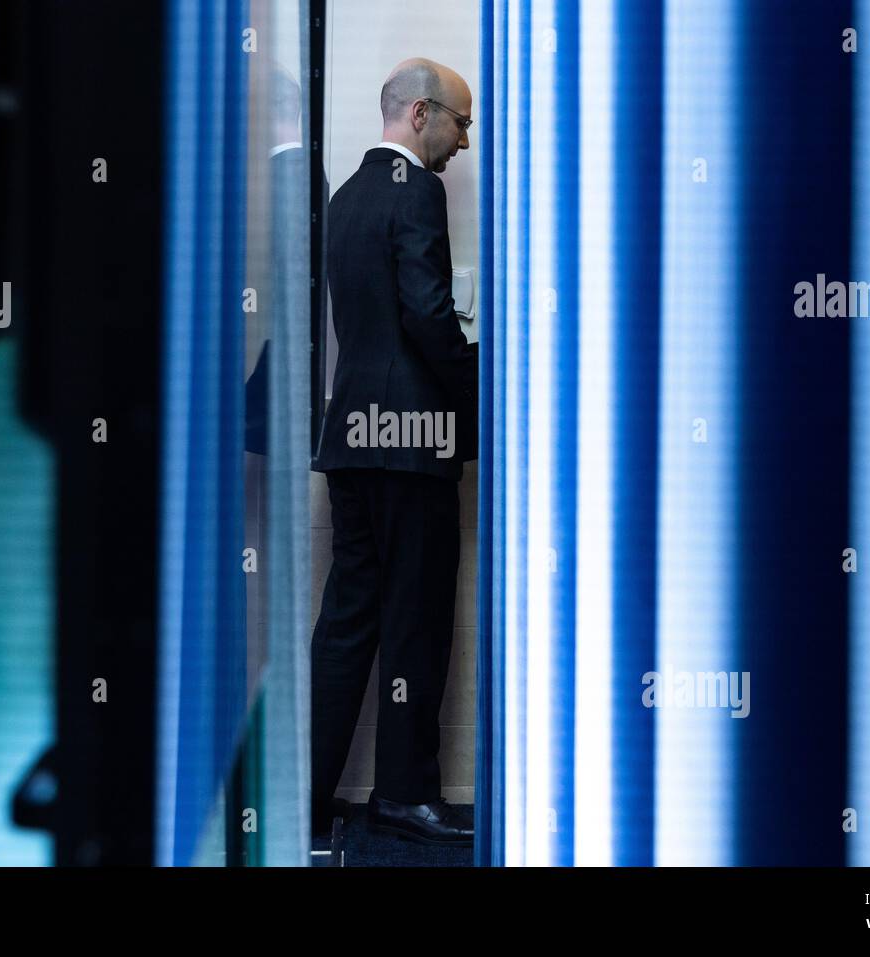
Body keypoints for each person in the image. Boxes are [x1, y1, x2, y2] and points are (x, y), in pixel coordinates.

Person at [310, 57, 478, 845]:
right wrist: (478, 384)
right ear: (420, 114)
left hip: (352, 441)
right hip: (412, 443)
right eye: (460, 121)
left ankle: (304, 794)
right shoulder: (420, 192)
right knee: (414, 619)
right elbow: (427, 314)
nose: (464, 142)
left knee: (346, 622)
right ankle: (406, 791)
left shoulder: (344, 197)